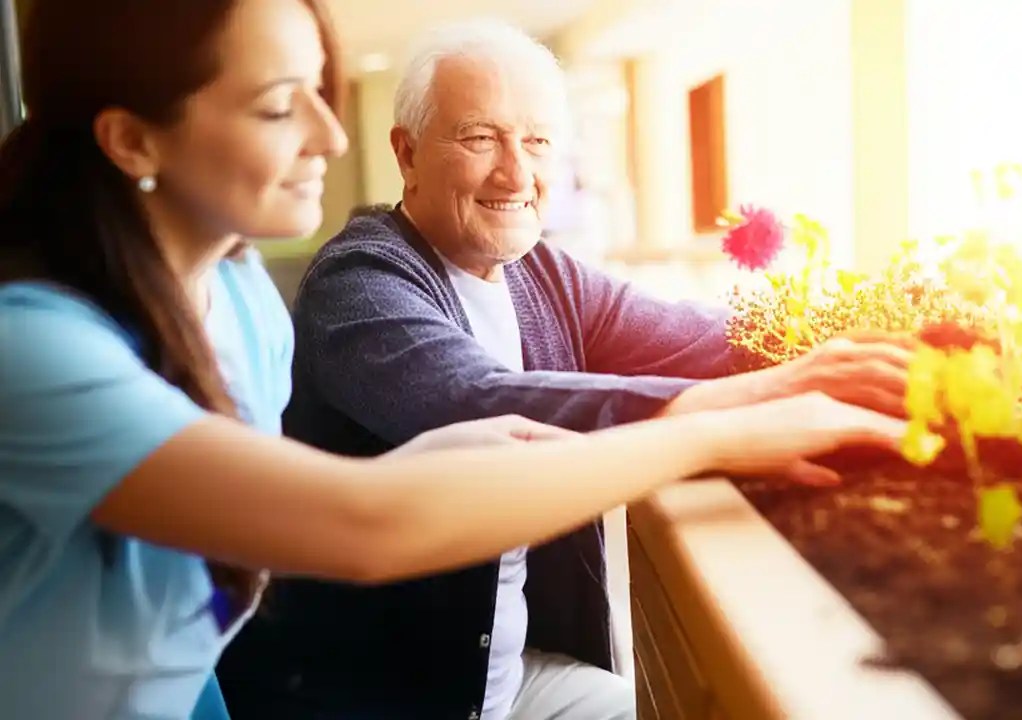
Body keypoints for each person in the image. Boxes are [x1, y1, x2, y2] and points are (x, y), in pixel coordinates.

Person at [0, 2, 909, 719]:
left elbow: (219, 581)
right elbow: (365, 523)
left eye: (322, 90)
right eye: (281, 105)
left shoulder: (235, 302)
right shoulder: (37, 355)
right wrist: (721, 426)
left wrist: (887, 334)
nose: (330, 135)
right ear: (131, 140)